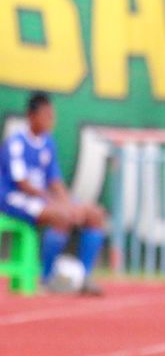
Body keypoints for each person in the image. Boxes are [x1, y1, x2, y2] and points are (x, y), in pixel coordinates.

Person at [1, 92, 108, 296]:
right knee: (62, 217)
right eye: (46, 115)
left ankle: (84, 277)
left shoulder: (48, 143)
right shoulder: (16, 143)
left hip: (43, 199)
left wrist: (67, 202)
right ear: (31, 116)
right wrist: (57, 204)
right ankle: (47, 278)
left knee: (94, 215)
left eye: (52, 115)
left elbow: (55, 180)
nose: (51, 120)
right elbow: (22, 184)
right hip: (14, 200)